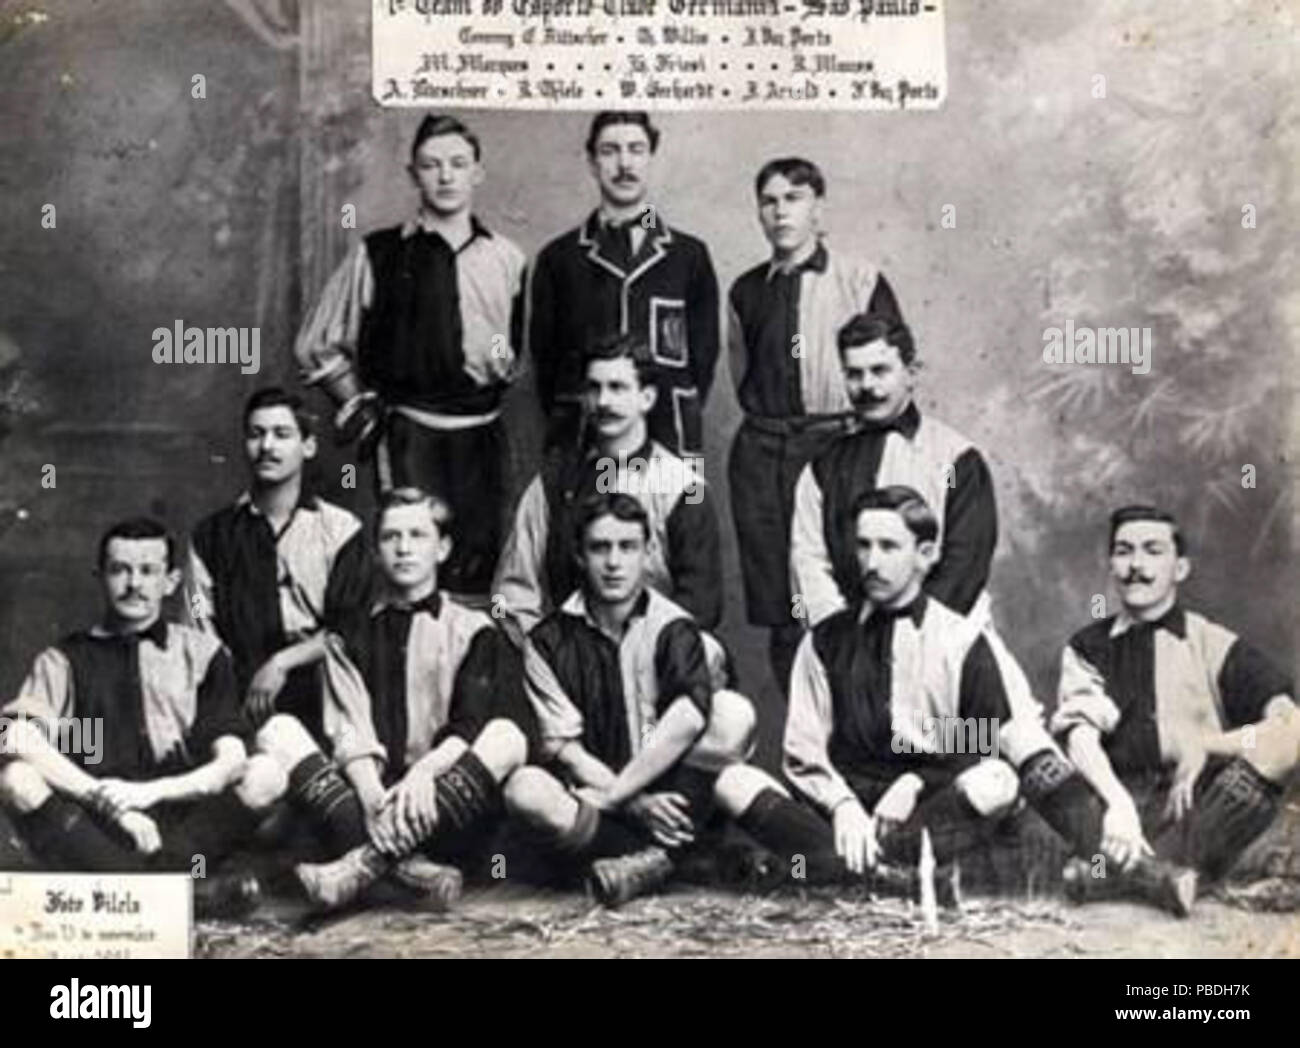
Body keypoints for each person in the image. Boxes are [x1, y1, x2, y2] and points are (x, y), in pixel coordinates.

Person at [714, 488, 1198, 914]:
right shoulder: (824, 641)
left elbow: (977, 743)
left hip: (927, 810)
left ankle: (835, 871)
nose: (872, 562)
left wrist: (913, 781)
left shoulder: (960, 640)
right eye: (863, 545)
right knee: (732, 780)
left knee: (998, 780)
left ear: (925, 554)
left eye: (889, 546)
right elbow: (803, 752)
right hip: (845, 816)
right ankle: (892, 879)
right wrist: (842, 805)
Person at [294, 114, 527, 601]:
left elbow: (510, 348)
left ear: (477, 173)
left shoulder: (507, 258)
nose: (445, 176)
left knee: (481, 574)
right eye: (431, 165)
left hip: (484, 440)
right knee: (410, 568)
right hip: (410, 437)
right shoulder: (378, 253)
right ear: (412, 174)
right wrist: (358, 402)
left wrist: (500, 356)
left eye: (458, 164)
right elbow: (317, 344)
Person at [0, 519, 283, 915]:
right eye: (120, 570)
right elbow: (13, 739)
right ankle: (185, 898)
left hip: (182, 826)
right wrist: (111, 805)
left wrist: (152, 792)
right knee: (15, 778)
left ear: (170, 581)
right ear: (100, 577)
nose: (134, 584)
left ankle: (137, 890)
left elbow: (231, 761)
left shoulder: (203, 654)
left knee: (266, 773)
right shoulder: (63, 659)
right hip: (94, 828)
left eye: (148, 571)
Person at [503, 494, 755, 907]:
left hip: (671, 796)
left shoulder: (674, 627)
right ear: (580, 557)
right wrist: (632, 803)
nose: (614, 563)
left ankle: (656, 859)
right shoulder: (547, 642)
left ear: (648, 553)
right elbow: (566, 750)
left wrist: (622, 791)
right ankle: (671, 860)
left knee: (732, 713)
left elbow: (690, 719)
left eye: (628, 547)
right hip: (599, 799)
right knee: (523, 789)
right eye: (600, 548)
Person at [291, 488, 531, 911]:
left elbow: (469, 725)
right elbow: (351, 731)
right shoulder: (349, 635)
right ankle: (407, 869)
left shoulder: (475, 629)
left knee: (507, 736)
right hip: (372, 810)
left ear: (442, 548)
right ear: (377, 550)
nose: (404, 548)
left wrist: (424, 773)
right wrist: (371, 799)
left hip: (450, 811)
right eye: (390, 537)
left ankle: (364, 865)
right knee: (278, 731)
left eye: (418, 536)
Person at [1051, 505, 1298, 907]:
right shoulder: (1088, 646)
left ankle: (1107, 876)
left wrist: (1207, 744)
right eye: (1124, 551)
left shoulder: (1212, 641)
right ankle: (1163, 879)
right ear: (1111, 564)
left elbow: (1289, 727)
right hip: (1116, 812)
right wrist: (1118, 804)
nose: (1136, 565)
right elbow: (1079, 737)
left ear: (1180, 568)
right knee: (1050, 773)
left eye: (1152, 550)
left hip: (1197, 814)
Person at [727, 157, 903, 694]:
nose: (781, 211)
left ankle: (863, 737)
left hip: (837, 447)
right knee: (785, 608)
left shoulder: (860, 280)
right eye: (770, 200)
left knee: (852, 588)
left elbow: (891, 375)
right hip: (764, 455)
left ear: (818, 209)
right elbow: (741, 373)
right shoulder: (746, 291)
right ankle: (805, 740)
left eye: (794, 198)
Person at [493, 332, 722, 648]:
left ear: (647, 398)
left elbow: (701, 606)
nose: (603, 402)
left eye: (617, 387)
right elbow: (512, 590)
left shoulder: (684, 487)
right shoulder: (554, 482)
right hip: (570, 661)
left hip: (655, 659)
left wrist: (639, 657)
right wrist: (546, 655)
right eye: (594, 388)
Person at [529, 111, 720, 458]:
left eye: (636, 149)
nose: (624, 163)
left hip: (667, 431)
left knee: (672, 511)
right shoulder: (559, 258)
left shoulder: (689, 255)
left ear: (651, 158)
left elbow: (704, 357)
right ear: (591, 162)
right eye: (609, 151)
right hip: (583, 437)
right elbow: (545, 361)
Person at [187, 387, 370, 747]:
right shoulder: (212, 535)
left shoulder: (340, 530)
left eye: (282, 434)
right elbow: (198, 619)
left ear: (308, 446)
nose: (267, 446)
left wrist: (282, 663)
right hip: (240, 688)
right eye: (256, 434)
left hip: (326, 687)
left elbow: (350, 628)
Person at [790, 313, 995, 630]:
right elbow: (809, 562)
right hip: (850, 643)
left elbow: (964, 568)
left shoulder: (957, 460)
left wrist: (906, 638)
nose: (867, 386)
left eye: (880, 371)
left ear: (911, 374)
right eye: (854, 374)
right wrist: (839, 639)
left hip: (941, 639)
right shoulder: (823, 467)